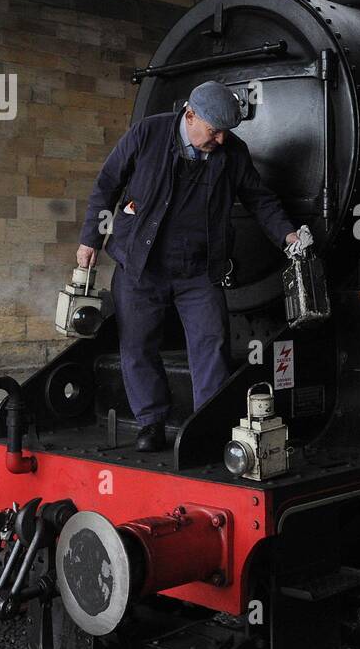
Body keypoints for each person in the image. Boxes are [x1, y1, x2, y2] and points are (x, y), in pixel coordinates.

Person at [77, 81, 300, 451]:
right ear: (190, 116)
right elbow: (107, 185)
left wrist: (288, 237)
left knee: (211, 343)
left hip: (199, 271)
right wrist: (90, 238)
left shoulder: (233, 154)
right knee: (137, 344)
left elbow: (261, 201)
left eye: (226, 132)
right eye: (215, 131)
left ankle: (208, 425)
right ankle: (151, 423)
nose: (221, 140)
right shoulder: (148, 133)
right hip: (140, 265)